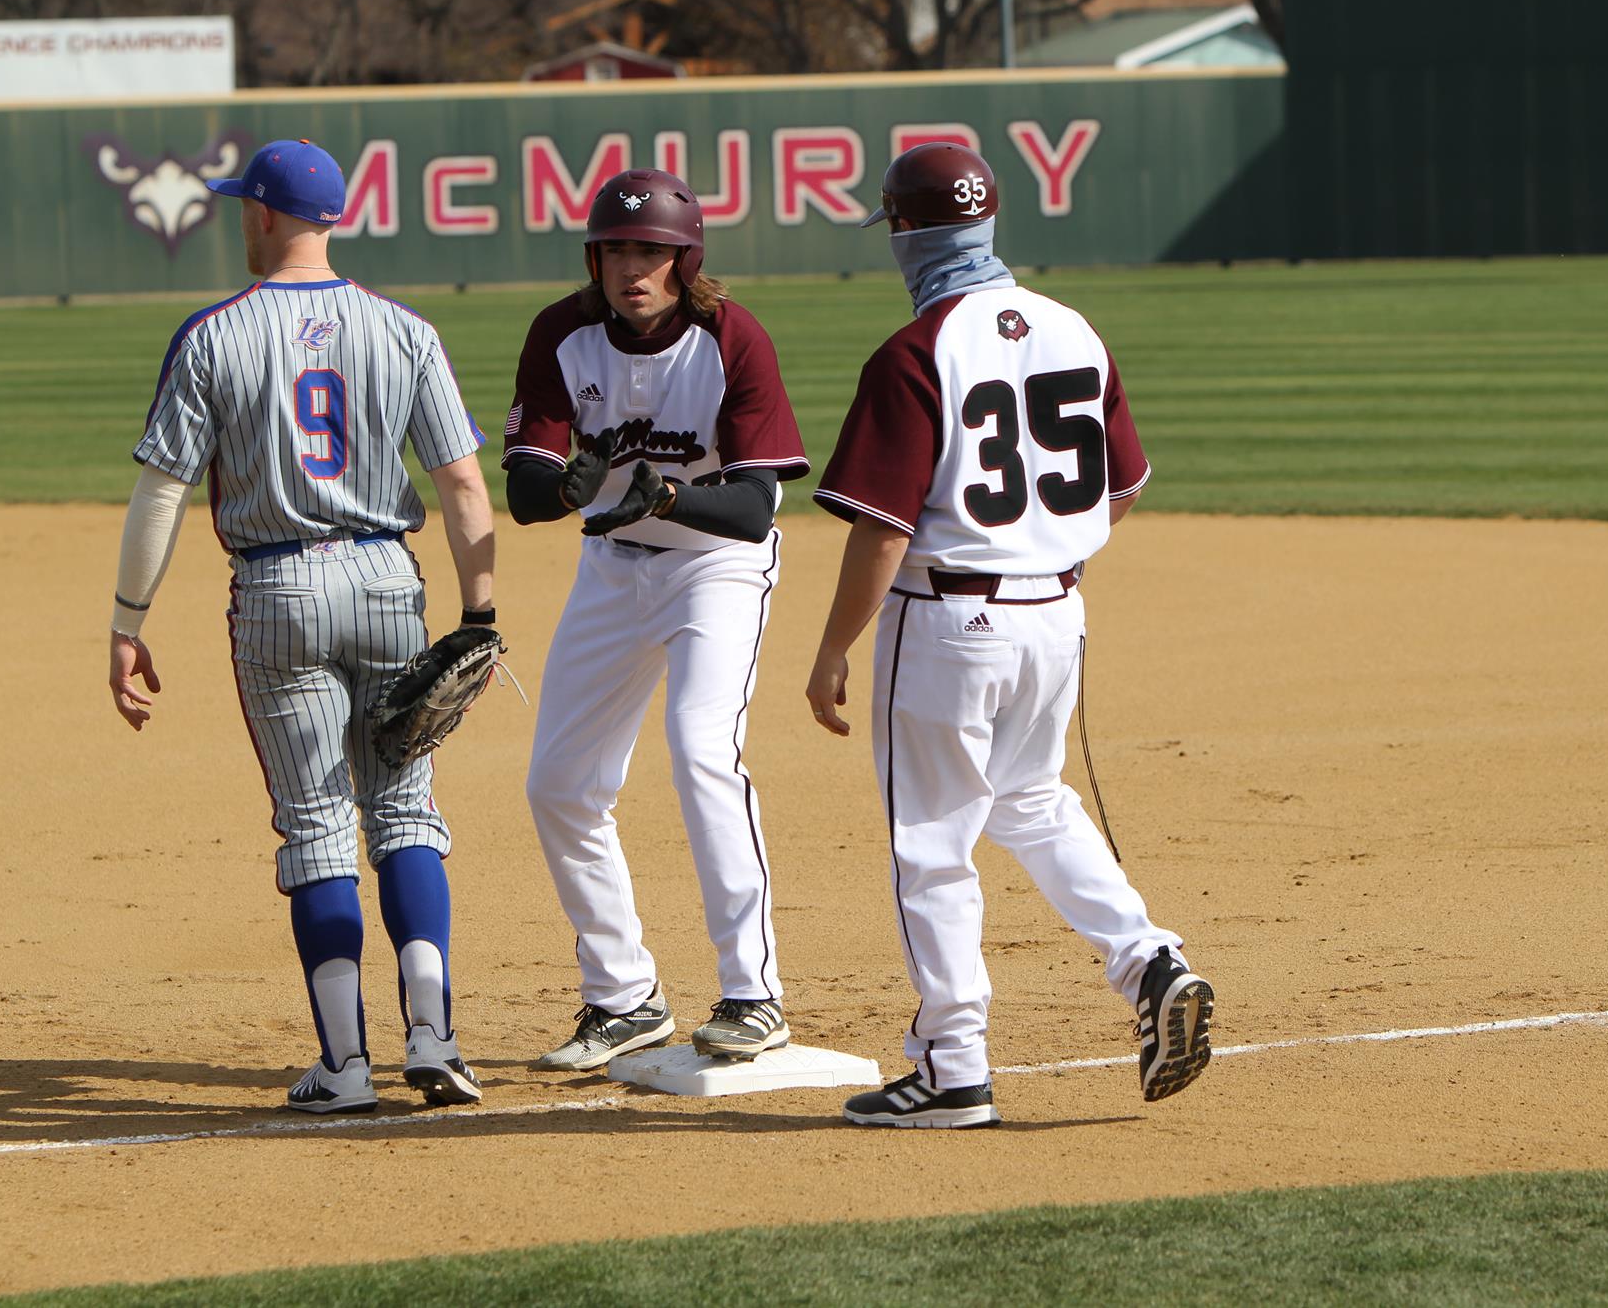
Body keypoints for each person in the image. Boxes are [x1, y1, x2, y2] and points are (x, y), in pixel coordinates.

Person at [806, 142, 1214, 1128]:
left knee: (931, 844)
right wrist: (1039, 562)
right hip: (1054, 612)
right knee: (1030, 799)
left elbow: (881, 527)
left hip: (947, 622)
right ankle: (1149, 960)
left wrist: (830, 649)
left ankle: (952, 1068)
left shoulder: (916, 351)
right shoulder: (1074, 328)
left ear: (906, 233)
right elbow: (1119, 489)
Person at [105, 139, 498, 1114]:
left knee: (318, 828)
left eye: (246, 204)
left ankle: (346, 1067)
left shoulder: (212, 335)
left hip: (277, 590)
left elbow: (162, 492)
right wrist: (480, 613)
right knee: (405, 812)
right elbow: (458, 481)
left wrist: (127, 620)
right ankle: (434, 1038)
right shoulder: (403, 330)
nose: (242, 217)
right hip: (385, 582)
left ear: (268, 215)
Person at [503, 168, 809, 1071]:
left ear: (686, 260)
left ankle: (753, 992)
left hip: (717, 569)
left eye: (653, 252)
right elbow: (525, 493)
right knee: (559, 782)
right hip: (611, 568)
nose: (633, 267)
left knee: (701, 746)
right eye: (617, 250)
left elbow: (755, 507)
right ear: (594, 257)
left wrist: (669, 495)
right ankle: (623, 994)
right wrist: (565, 485)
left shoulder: (730, 337)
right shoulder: (562, 333)